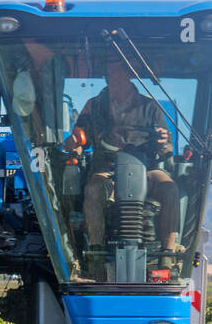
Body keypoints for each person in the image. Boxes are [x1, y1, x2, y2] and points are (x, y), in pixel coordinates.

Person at [67, 58, 179, 266]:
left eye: (117, 72)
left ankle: (167, 254)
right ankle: (96, 252)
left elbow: (168, 149)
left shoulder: (150, 107)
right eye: (109, 73)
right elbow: (79, 139)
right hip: (107, 169)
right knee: (93, 189)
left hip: (146, 168)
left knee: (169, 187)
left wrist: (164, 142)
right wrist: (74, 143)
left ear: (129, 74)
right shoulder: (94, 106)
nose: (112, 77)